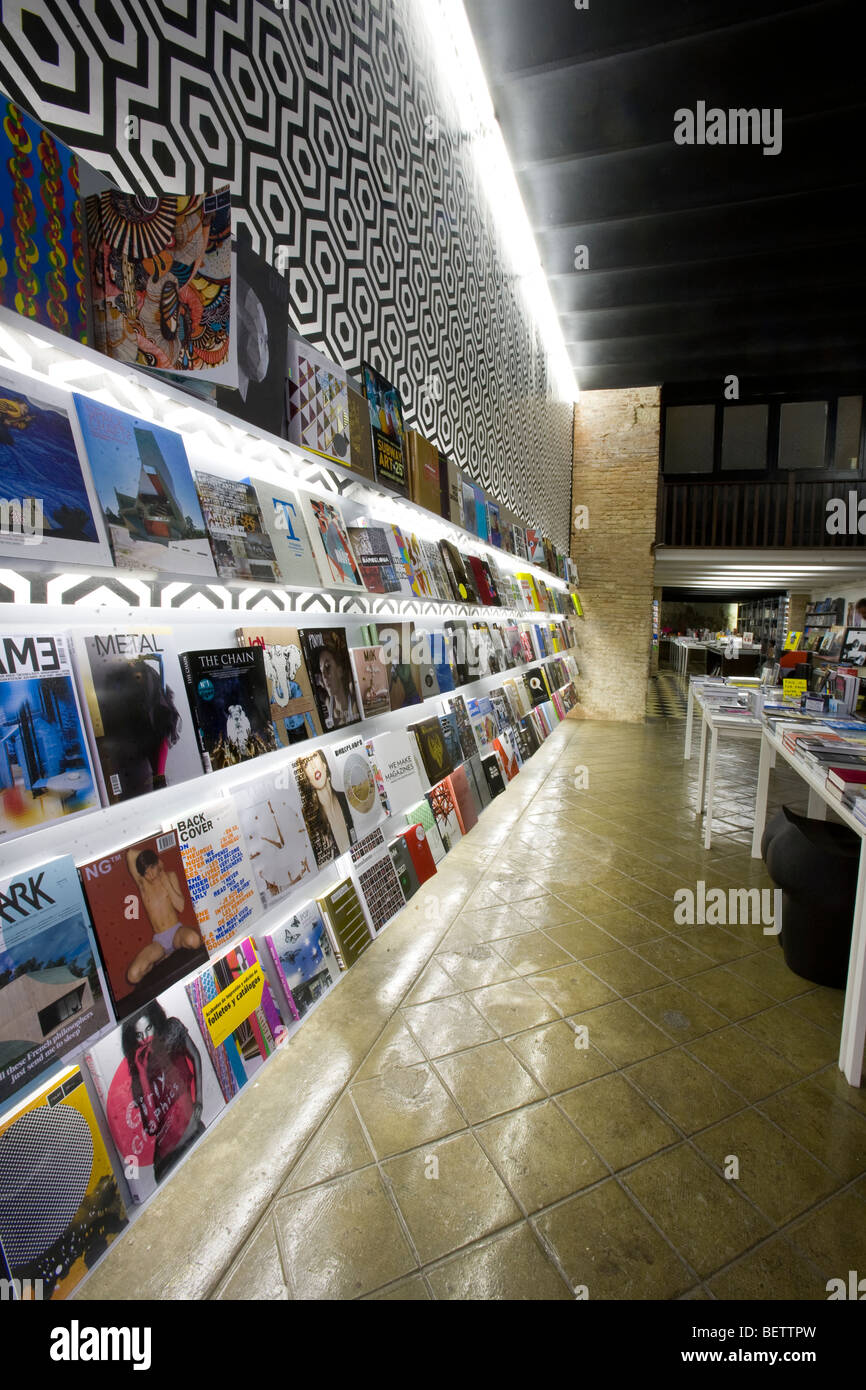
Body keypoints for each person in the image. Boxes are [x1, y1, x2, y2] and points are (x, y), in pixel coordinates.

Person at [120, 1001, 205, 1183]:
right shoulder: (137, 1064)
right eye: (139, 1035)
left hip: (193, 1131)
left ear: (155, 1021)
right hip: (166, 1160)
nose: (145, 1038)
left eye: (148, 1029)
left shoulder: (172, 1030)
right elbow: (151, 1126)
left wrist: (199, 1100)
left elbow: (195, 1057)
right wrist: (142, 1073)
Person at [125, 847, 203, 985]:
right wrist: (155, 863)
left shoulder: (170, 876)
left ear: (157, 864)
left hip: (176, 933)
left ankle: (166, 958)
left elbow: (180, 906)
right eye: (146, 872)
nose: (150, 875)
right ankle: (158, 961)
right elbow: (131, 854)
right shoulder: (142, 884)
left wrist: (165, 880)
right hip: (159, 941)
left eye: (152, 868)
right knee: (133, 975)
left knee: (194, 940)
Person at [295, 749, 355, 861]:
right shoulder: (309, 821)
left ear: (324, 764)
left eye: (313, 757)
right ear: (306, 777)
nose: (313, 766)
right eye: (306, 764)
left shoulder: (346, 799)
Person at [310, 641, 358, 729]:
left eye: (327, 666)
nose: (324, 676)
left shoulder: (354, 702)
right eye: (321, 671)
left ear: (340, 671)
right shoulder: (328, 703)